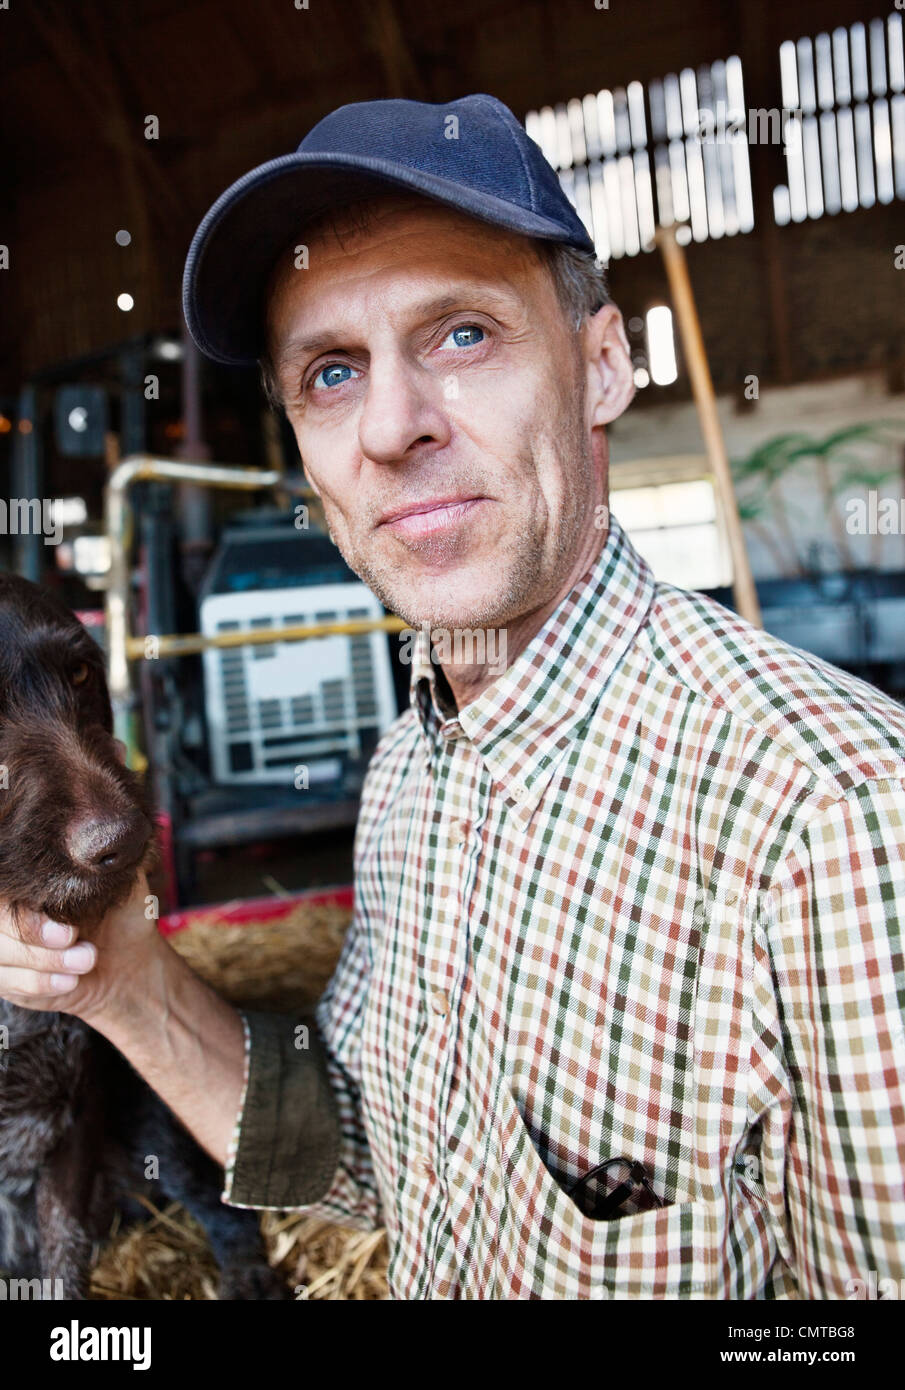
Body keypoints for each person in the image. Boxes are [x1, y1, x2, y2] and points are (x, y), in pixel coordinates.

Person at [3, 94, 905, 1300]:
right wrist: (121, 981)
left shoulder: (836, 824)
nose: (389, 425)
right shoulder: (410, 776)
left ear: (599, 365)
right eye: (331, 372)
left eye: (463, 336)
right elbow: (360, 1161)